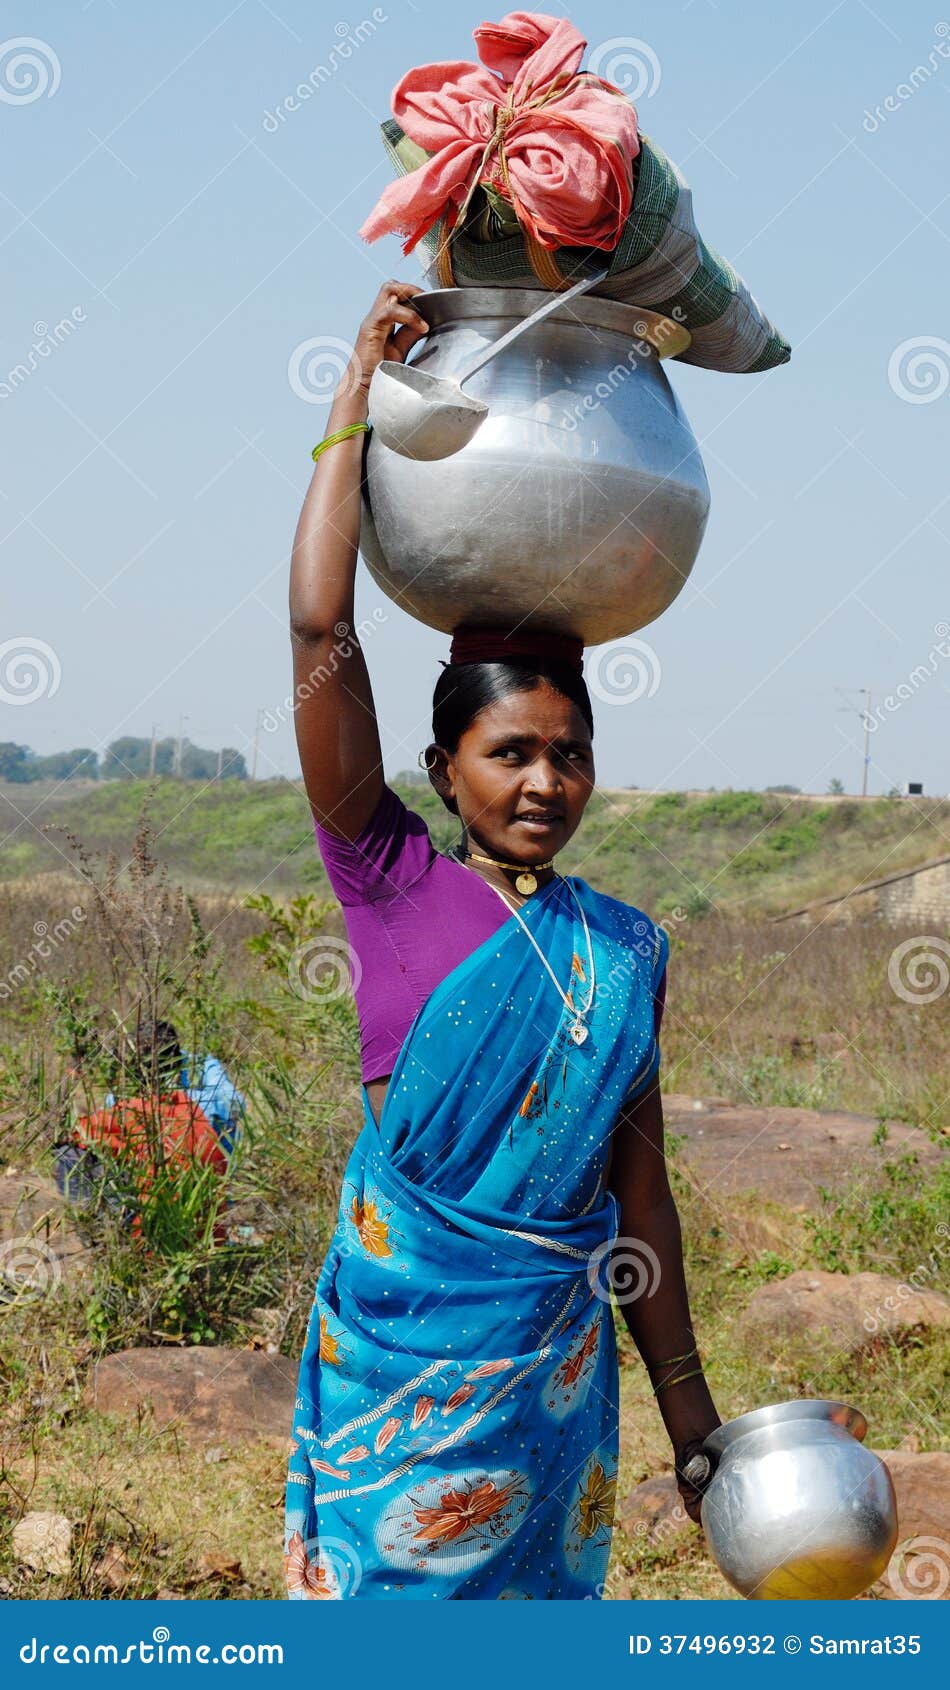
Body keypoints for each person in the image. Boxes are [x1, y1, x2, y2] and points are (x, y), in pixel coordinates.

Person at [283, 280, 721, 1601]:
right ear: (443, 764)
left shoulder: (624, 951)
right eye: (510, 751)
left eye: (570, 753)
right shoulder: (387, 874)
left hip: (549, 1394)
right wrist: (356, 389)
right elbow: (320, 631)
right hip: (390, 1373)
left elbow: (637, 1204)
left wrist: (692, 1422)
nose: (543, 780)